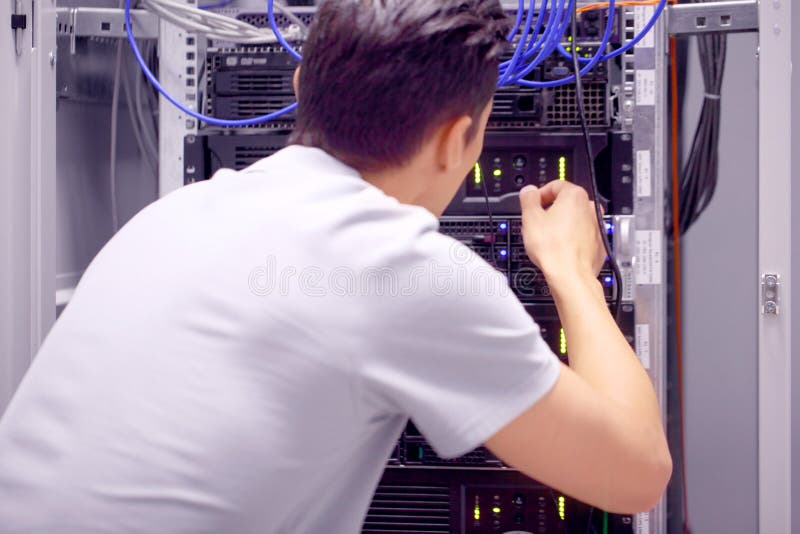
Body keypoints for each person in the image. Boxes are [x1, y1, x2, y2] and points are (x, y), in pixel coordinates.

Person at [0, 0, 671, 532]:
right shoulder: (400, 267)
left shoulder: (169, 217)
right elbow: (638, 473)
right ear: (452, 140)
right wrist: (571, 268)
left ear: (300, 86)